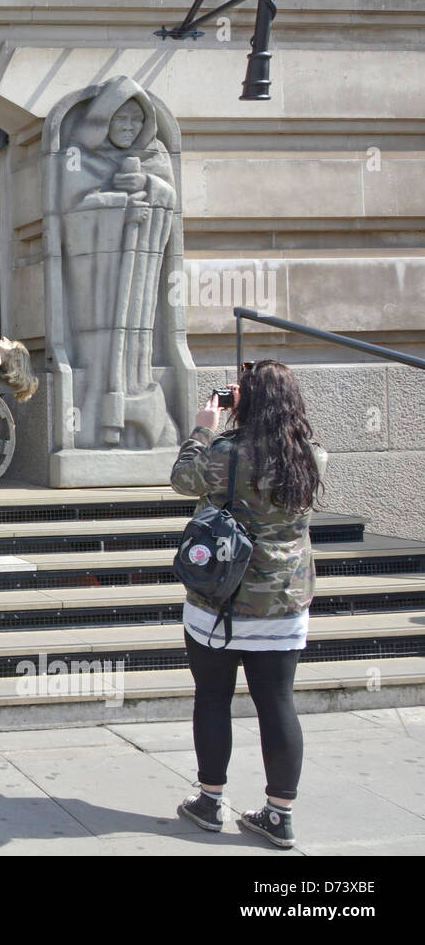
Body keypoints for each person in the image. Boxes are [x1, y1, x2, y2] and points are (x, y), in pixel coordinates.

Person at [171, 360, 328, 849]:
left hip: (221, 600)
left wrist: (204, 425)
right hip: (284, 602)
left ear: (248, 403)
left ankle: (210, 800)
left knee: (213, 697)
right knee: (277, 702)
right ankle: (279, 814)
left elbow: (182, 479)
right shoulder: (312, 455)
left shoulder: (225, 453)